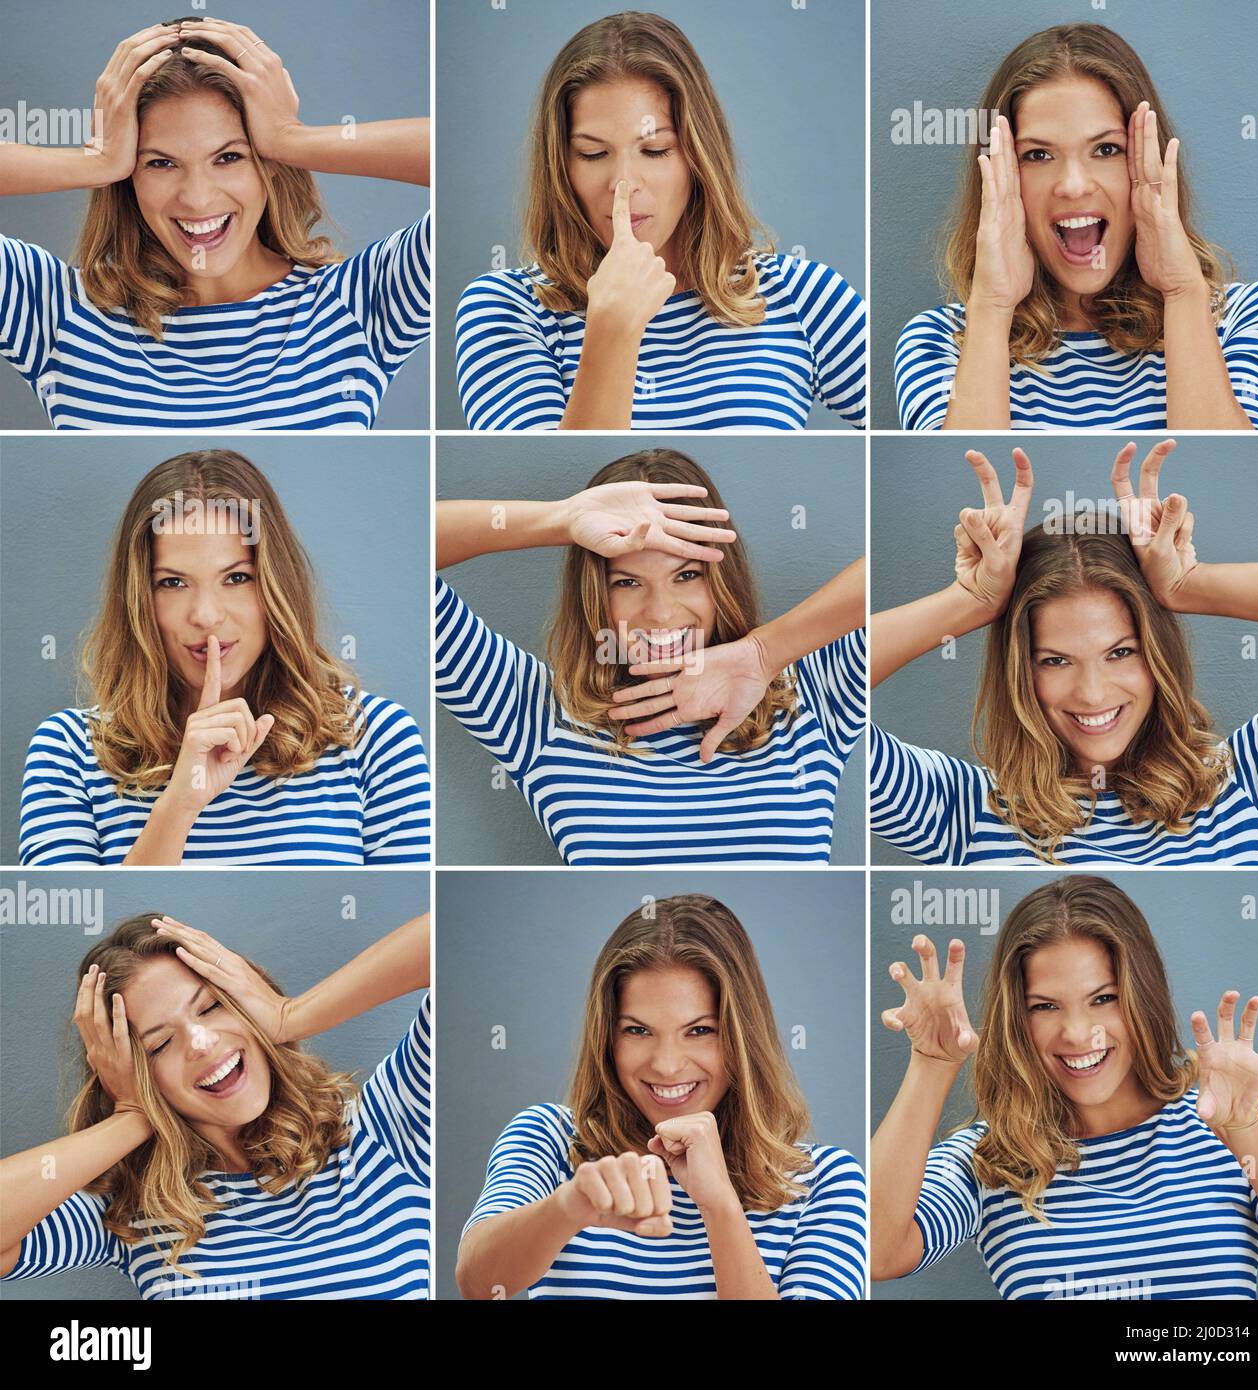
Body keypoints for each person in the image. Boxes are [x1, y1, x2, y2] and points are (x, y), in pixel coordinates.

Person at [871, 876, 1258, 1300]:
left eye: (1103, 998)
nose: (1078, 1034)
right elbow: (876, 1254)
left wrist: (1245, 1129)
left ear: (1141, 998)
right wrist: (932, 1064)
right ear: (1018, 1019)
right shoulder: (989, 1159)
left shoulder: (1233, 1126)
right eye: (1045, 1006)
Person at [870, 444, 1258, 864]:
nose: (1093, 695)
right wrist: (970, 600)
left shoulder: (1252, 778)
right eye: (1055, 660)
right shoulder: (962, 810)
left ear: (1157, 653)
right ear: (1021, 669)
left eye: (1120, 653)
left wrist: (1188, 583)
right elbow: (817, 707)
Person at [436, 449, 865, 865]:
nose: (661, 612)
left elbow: (922, 578)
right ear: (594, 596)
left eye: (687, 575)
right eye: (627, 582)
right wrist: (565, 520)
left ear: (722, 577)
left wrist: (762, 652)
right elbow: (405, 541)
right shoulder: (538, 716)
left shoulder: (804, 696)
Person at [0, 19, 430, 429]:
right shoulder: (55, 310)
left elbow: (465, 162)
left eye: (229, 157)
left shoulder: (360, 301)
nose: (198, 197)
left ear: (271, 164)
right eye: (161, 162)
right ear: (127, 178)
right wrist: (96, 161)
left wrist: (289, 137)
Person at [454, 11, 864, 431]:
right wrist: (613, 327)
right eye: (593, 154)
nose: (624, 185)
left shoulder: (799, 295)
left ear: (698, 158)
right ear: (561, 167)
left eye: (655, 151)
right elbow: (588, 496)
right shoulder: (507, 308)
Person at [19, 449, 430, 865]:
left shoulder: (374, 738)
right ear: (140, 597)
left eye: (236, 578)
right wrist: (179, 805)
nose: (206, 616)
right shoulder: (69, 751)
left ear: (275, 584)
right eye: (173, 582)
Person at [1, 912, 430, 1300]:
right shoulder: (130, 1213)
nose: (202, 1043)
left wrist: (289, 1015)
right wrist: (132, 1115)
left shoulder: (380, 1131)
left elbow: (449, 935)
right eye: (161, 1043)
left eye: (211, 1007)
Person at [456, 894, 866, 1299]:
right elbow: (478, 1284)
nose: (667, 1065)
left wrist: (720, 1206)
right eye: (637, 1030)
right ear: (607, 1038)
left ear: (742, 1038)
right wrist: (569, 1206)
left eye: (700, 1030)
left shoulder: (825, 1183)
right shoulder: (551, 1139)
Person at [893, 23, 1258, 430]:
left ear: (1147, 160)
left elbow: (1221, 472)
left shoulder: (1256, 317)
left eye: (1106, 149)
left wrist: (1181, 291)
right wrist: (993, 306)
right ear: (1002, 175)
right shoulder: (938, 342)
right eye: (1037, 154)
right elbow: (972, 465)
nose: (1073, 186)